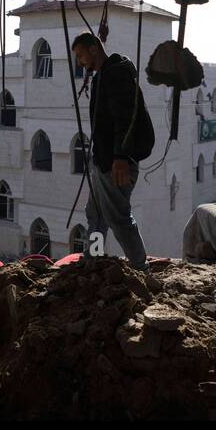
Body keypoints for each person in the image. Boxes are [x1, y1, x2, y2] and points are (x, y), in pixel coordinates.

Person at [70, 32, 155, 271]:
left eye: (81, 55)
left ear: (94, 49)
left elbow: (124, 117)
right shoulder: (105, 75)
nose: (80, 62)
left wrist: (120, 157)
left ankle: (140, 268)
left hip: (116, 163)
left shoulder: (115, 74)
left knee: (118, 218)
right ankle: (93, 258)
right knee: (96, 214)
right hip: (105, 161)